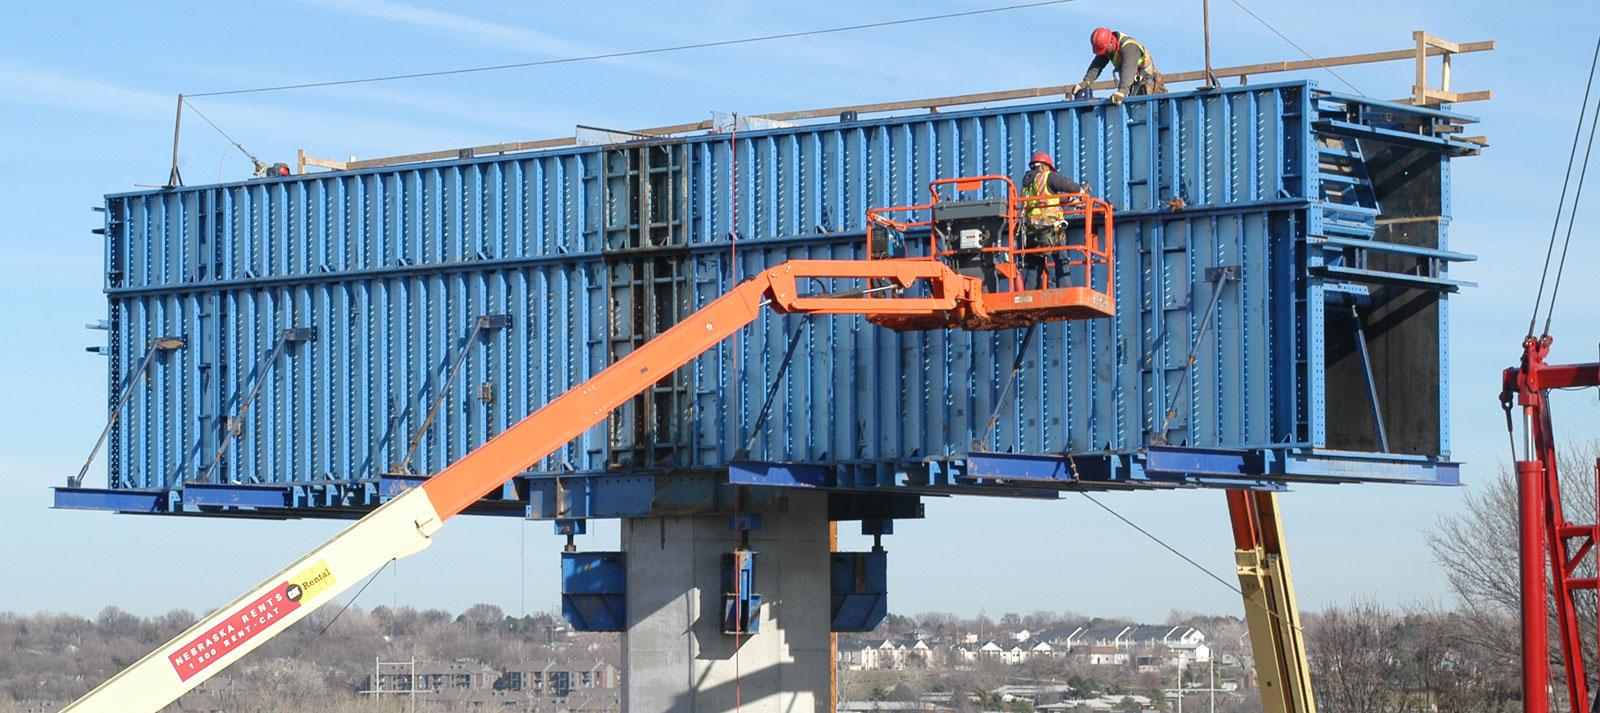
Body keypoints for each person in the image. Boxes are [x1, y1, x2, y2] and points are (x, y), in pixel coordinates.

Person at [1018, 151, 1086, 289]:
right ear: (1043, 166)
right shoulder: (1047, 177)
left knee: (1034, 264)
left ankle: (1030, 294)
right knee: (1061, 259)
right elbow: (1067, 185)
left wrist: (1069, 200)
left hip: (1032, 229)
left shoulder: (1027, 185)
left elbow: (1045, 199)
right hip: (1050, 227)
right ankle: (1065, 291)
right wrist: (1080, 192)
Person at [1067, 27, 1165, 104]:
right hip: (1134, 82)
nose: (1104, 53)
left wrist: (1122, 91)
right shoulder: (1108, 47)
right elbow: (1097, 66)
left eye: (1105, 50)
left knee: (1143, 111)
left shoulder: (1129, 47)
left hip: (1148, 82)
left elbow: (1128, 69)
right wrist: (1085, 82)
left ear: (1111, 42)